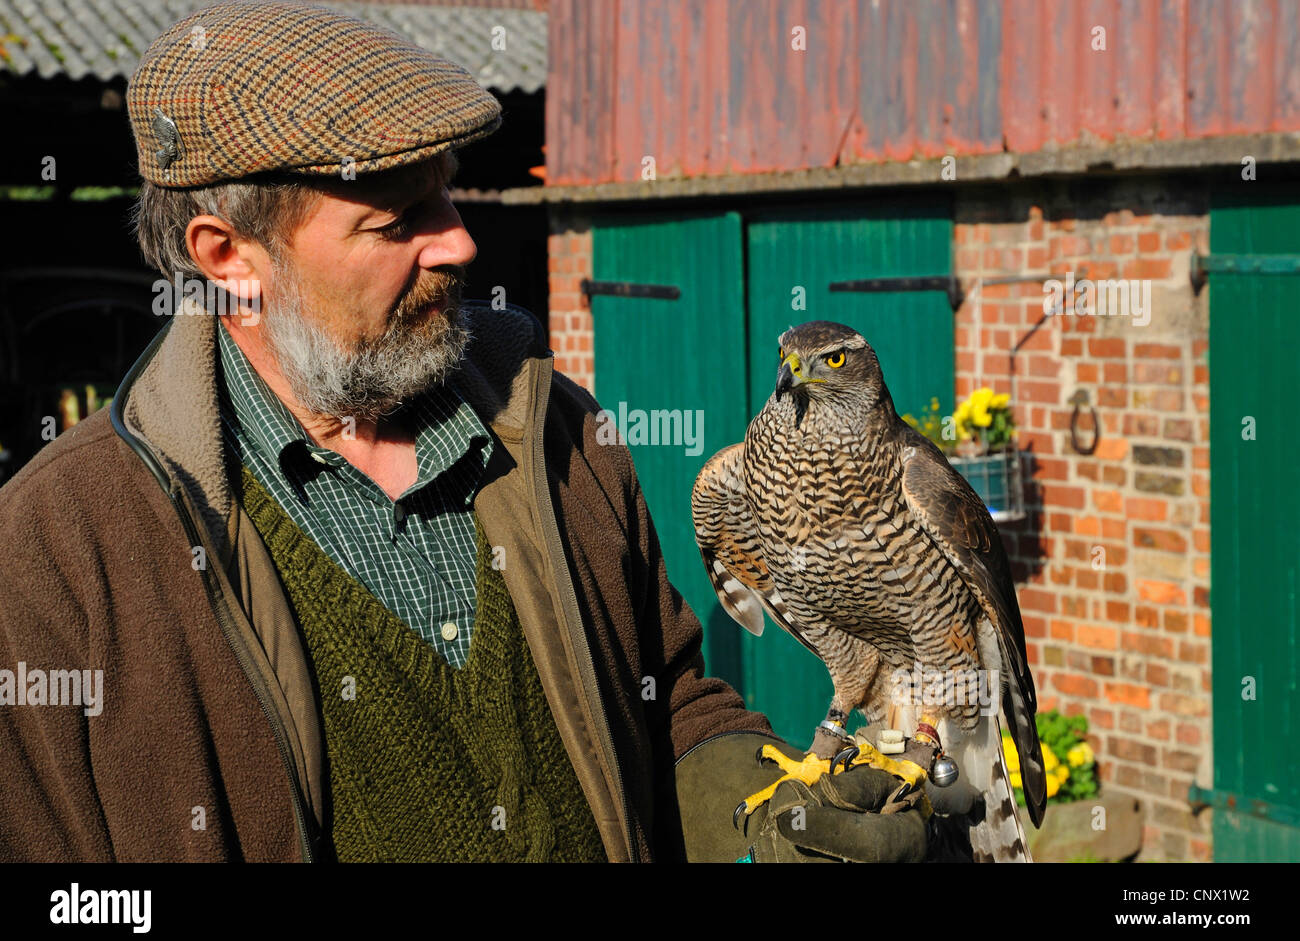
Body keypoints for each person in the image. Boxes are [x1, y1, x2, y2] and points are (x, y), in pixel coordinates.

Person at [0, 0, 926, 863]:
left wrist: (765, 824)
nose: (459, 242)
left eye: (446, 195)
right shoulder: (55, 552)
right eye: (400, 219)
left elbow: (668, 702)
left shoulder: (552, 430)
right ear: (229, 256)